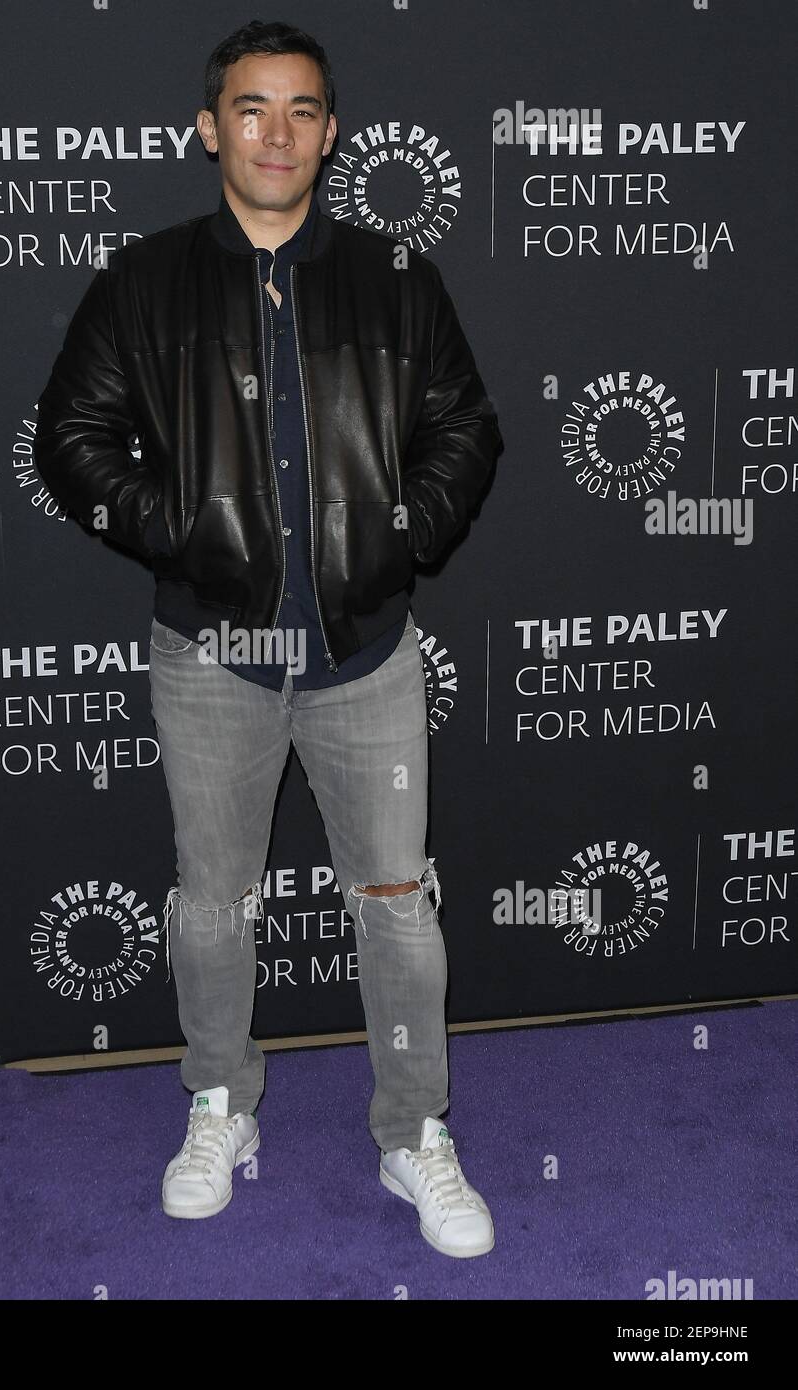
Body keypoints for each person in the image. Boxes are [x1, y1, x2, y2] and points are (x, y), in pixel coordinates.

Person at [34, 18, 503, 1258]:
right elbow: (68, 439)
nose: (277, 133)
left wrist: (403, 538)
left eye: (301, 110)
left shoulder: (397, 275)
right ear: (209, 128)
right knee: (209, 903)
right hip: (208, 658)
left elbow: (465, 429)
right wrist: (183, 530)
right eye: (251, 109)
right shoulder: (143, 283)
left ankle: (413, 1133)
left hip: (367, 657)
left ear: (330, 131)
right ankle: (216, 1103)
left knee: (396, 905)